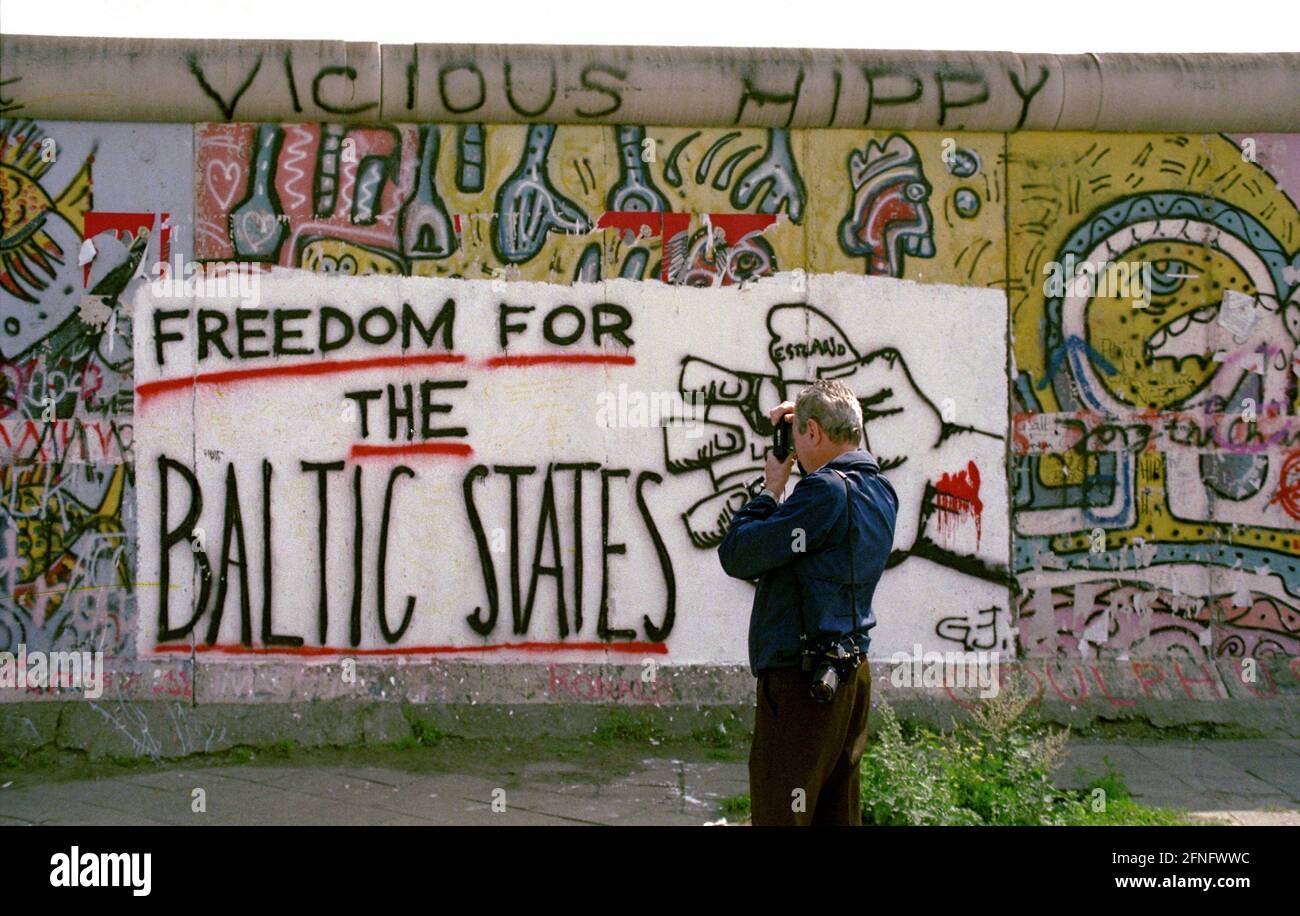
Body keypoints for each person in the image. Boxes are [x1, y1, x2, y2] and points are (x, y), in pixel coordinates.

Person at [717, 378, 898, 826]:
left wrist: (769, 490)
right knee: (835, 811)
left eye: (800, 433)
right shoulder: (879, 490)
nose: (792, 445)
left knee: (783, 810)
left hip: (803, 683)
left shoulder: (822, 494)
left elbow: (738, 554)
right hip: (848, 676)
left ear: (813, 433)